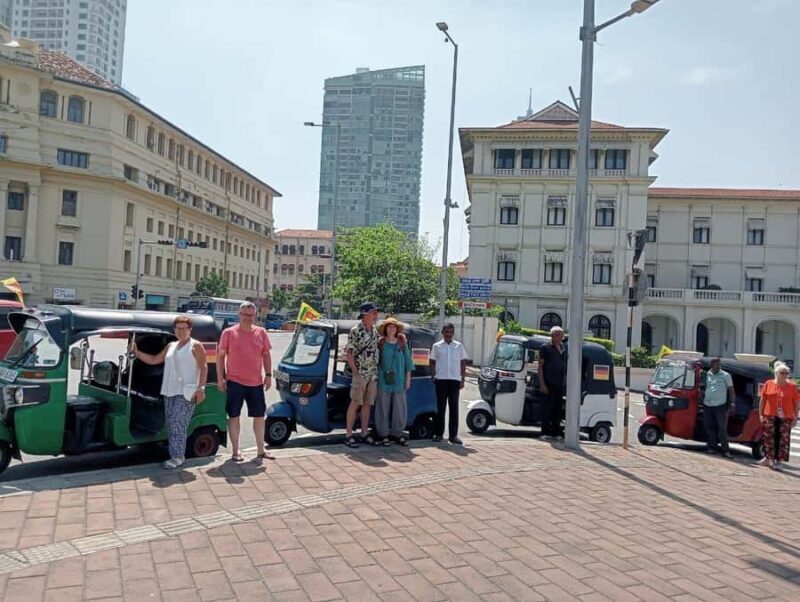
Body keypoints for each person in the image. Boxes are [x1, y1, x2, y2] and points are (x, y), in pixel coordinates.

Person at [131, 315, 207, 469]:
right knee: (172, 424)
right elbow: (154, 360)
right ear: (174, 330)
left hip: (188, 391)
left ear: (190, 330)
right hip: (170, 390)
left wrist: (201, 388)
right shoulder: (171, 346)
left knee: (179, 423)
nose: (181, 331)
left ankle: (177, 457)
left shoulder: (196, 346)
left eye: (184, 328)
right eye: (178, 328)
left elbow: (204, 367)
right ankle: (175, 454)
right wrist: (137, 353)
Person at [216, 301, 273, 464]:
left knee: (259, 416)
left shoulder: (261, 332)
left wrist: (268, 375)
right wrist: (221, 378)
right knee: (233, 416)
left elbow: (266, 355)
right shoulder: (228, 333)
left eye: (251, 315)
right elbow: (220, 357)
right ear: (239, 315)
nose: (248, 318)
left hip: (255, 383)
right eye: (245, 314)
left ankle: (261, 449)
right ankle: (236, 451)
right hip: (234, 382)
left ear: (255, 316)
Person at [344, 302, 380, 448]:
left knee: (367, 404)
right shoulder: (356, 330)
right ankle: (349, 434)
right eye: (373, 313)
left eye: (375, 313)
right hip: (360, 373)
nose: (375, 315)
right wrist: (356, 373)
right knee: (355, 402)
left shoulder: (375, 331)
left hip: (372, 373)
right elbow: (349, 353)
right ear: (365, 314)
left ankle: (364, 432)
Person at [375, 317, 413, 446]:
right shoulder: (380, 343)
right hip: (383, 380)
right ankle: (383, 435)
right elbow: (376, 361)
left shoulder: (402, 343)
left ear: (397, 329)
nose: (392, 329)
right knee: (382, 408)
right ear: (385, 329)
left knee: (400, 408)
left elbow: (408, 362)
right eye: (389, 326)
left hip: (399, 380)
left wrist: (408, 379)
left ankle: (398, 434)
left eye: (394, 327)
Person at [429, 323, 468, 445]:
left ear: (453, 333)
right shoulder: (437, 346)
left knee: (454, 408)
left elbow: (463, 363)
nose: (448, 334)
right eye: (446, 332)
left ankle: (453, 436)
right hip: (441, 380)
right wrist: (433, 376)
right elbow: (431, 362)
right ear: (442, 332)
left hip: (454, 380)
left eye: (451, 332)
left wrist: (462, 379)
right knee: (440, 408)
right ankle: (439, 434)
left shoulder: (459, 346)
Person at [758, 361, 799, 469]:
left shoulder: (792, 386)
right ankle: (768, 458)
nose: (785, 375)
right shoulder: (769, 383)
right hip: (769, 414)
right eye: (782, 373)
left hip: (786, 416)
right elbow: (763, 400)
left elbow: (796, 403)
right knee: (768, 437)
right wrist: (761, 414)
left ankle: (778, 461)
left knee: (783, 439)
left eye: (786, 373)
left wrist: (795, 417)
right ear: (776, 373)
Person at [537, 326, 566, 440]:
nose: (560, 337)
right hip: (548, 383)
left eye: (561, 335)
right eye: (558, 335)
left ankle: (556, 432)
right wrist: (542, 384)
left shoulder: (563, 348)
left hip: (559, 383)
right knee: (546, 409)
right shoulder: (546, 348)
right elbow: (540, 366)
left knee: (557, 409)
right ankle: (545, 432)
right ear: (552, 336)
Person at [702, 357, 734, 458]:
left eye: (719, 365)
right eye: (716, 365)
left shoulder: (726, 375)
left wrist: (732, 404)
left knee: (722, 428)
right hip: (708, 404)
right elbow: (703, 388)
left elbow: (731, 391)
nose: (718, 367)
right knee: (708, 425)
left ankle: (725, 450)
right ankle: (712, 447)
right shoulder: (706, 375)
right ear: (711, 365)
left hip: (720, 405)